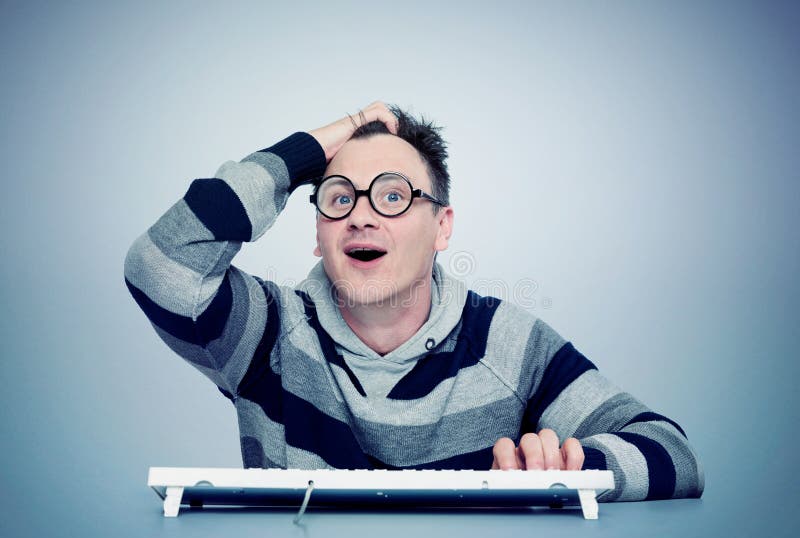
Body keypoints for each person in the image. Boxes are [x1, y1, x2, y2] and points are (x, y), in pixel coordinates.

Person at [124, 101, 704, 501]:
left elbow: (672, 452)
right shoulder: (267, 333)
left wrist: (573, 469)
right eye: (338, 197)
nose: (361, 214)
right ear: (318, 229)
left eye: (393, 195)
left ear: (442, 227)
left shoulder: (508, 343)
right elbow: (161, 265)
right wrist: (308, 152)